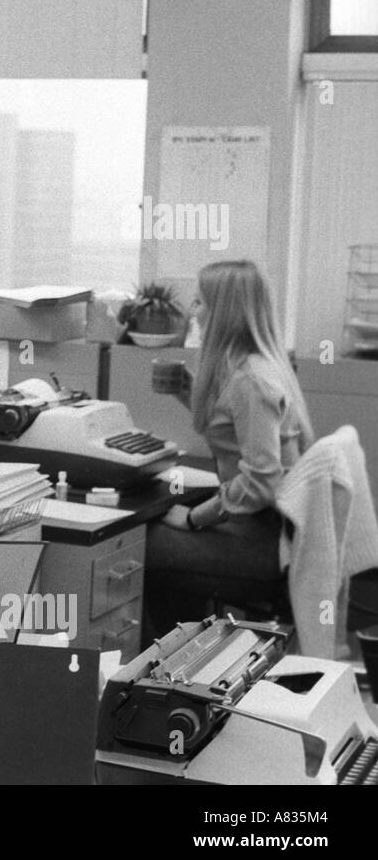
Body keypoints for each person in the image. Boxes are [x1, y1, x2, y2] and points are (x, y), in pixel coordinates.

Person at [144, 260, 314, 640]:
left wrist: (195, 519)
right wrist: (189, 392)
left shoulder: (251, 381)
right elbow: (236, 433)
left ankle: (168, 665)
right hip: (268, 531)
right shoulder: (262, 365)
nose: (194, 311)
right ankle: (185, 659)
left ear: (224, 312)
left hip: (266, 544)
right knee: (154, 536)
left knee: (139, 545)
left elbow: (262, 480)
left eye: (201, 302)